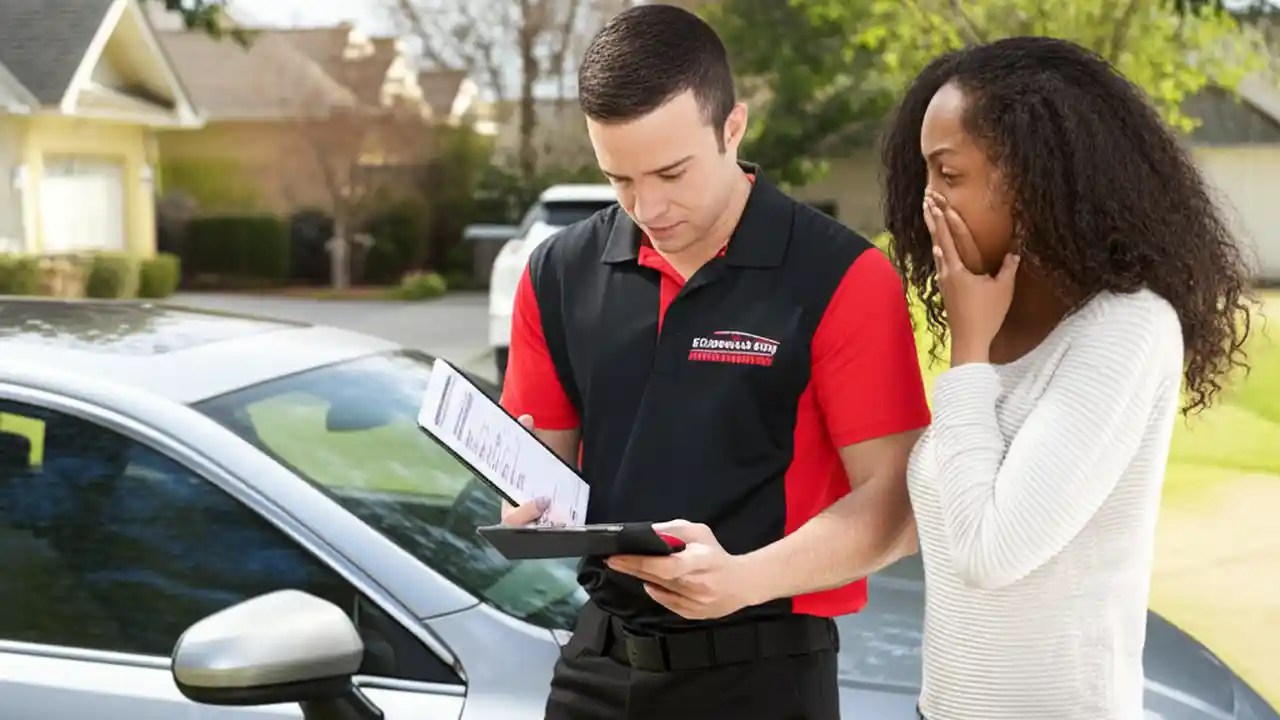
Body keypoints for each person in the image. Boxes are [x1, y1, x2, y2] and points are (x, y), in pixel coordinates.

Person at [498, 4, 931, 719]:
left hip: (763, 674)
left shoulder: (842, 277)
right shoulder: (556, 272)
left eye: (671, 172)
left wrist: (742, 580)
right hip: (595, 670)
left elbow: (897, 507)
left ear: (734, 127)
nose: (648, 206)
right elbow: (546, 471)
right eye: (620, 180)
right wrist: (522, 506)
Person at [877, 36, 1256, 720]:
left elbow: (991, 550)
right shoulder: (999, 323)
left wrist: (967, 349)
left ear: (1034, 175)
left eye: (948, 173)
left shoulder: (1128, 330)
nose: (926, 200)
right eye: (923, 174)